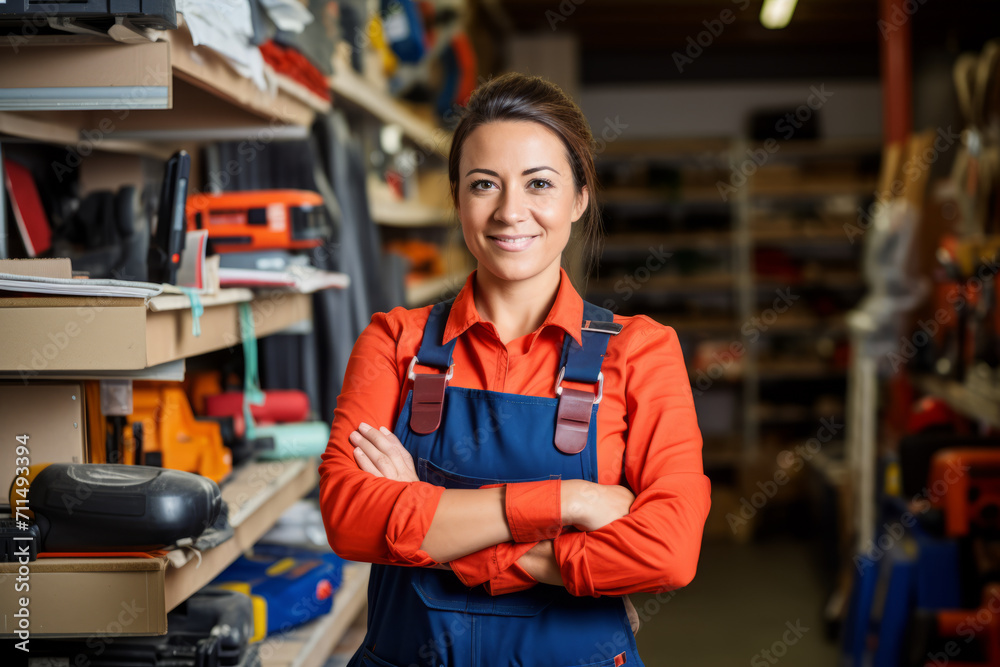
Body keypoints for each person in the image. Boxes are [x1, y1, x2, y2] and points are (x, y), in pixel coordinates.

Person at [318, 71, 711, 667]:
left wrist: (441, 530)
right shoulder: (392, 342)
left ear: (579, 198)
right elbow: (349, 519)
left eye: (539, 184)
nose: (510, 212)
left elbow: (668, 552)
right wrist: (570, 502)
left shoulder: (640, 353)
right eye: (484, 184)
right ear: (457, 198)